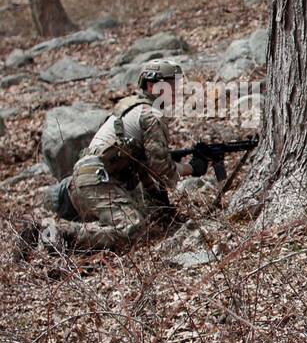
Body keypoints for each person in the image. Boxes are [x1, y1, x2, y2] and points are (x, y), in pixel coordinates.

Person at [15, 60, 198, 258]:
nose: (176, 90)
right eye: (171, 85)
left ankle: (59, 233)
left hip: (91, 179)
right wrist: (192, 168)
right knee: (132, 229)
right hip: (97, 180)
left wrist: (166, 212)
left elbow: (145, 169)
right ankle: (53, 233)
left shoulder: (131, 107)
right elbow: (160, 168)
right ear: (152, 85)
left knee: (146, 218)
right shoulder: (151, 114)